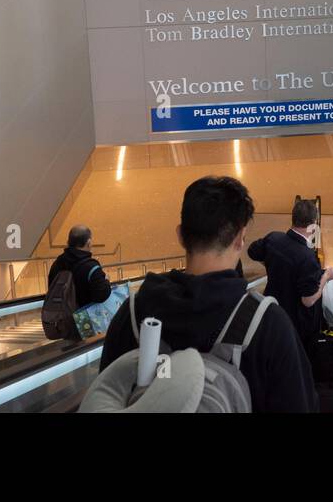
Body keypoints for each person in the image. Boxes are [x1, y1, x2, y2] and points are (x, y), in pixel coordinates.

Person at [98, 176, 318, 413]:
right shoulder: (267, 324)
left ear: (180, 235)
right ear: (239, 239)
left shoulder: (132, 315)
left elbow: (105, 397)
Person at [248, 199, 333, 347]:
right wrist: (326, 277)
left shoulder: (273, 238)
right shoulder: (308, 258)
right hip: (295, 327)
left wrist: (270, 262)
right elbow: (308, 300)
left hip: (271, 313)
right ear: (313, 224)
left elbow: (252, 251)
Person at [48, 225, 113, 309]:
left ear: (68, 242)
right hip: (84, 319)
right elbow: (100, 296)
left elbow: (51, 287)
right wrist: (107, 281)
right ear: (89, 243)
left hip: (62, 318)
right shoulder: (92, 267)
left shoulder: (57, 263)